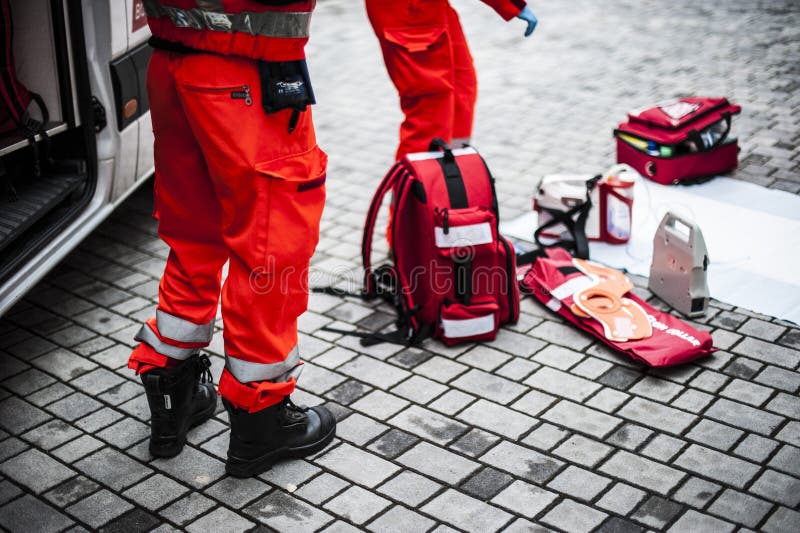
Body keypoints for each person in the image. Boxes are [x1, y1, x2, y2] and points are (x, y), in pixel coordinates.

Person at [128, 0, 335, 478]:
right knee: (269, 246)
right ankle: (260, 421)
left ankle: (171, 397)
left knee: (192, 235)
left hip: (170, 63)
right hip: (243, 73)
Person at [365, 0, 538, 160]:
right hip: (410, 12)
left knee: (461, 93)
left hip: (429, 9)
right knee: (430, 112)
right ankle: (419, 189)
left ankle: (452, 172)